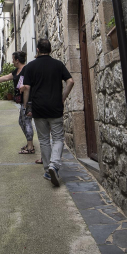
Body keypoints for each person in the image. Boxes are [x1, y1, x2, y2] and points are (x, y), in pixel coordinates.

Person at [19, 38, 74, 187]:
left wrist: (26, 107)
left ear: (37, 50)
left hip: (38, 108)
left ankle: (47, 170)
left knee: (43, 140)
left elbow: (27, 88)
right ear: (50, 50)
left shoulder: (30, 66)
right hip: (55, 107)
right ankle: (54, 165)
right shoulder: (58, 65)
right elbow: (71, 81)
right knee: (57, 138)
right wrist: (63, 97)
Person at [0, 52, 34, 154]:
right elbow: (6, 77)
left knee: (27, 122)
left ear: (17, 60)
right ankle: (30, 144)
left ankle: (30, 147)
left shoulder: (27, 69)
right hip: (22, 101)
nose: (12, 61)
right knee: (21, 122)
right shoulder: (16, 71)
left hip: (28, 101)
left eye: (13, 59)